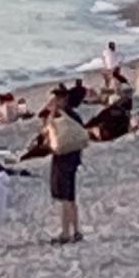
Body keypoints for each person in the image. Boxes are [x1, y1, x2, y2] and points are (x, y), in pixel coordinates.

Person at [42, 105, 88, 245]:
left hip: (63, 161)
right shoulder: (74, 118)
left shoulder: (57, 122)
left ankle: (66, 233)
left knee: (65, 199)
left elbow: (50, 143)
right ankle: (76, 231)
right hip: (73, 160)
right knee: (71, 198)